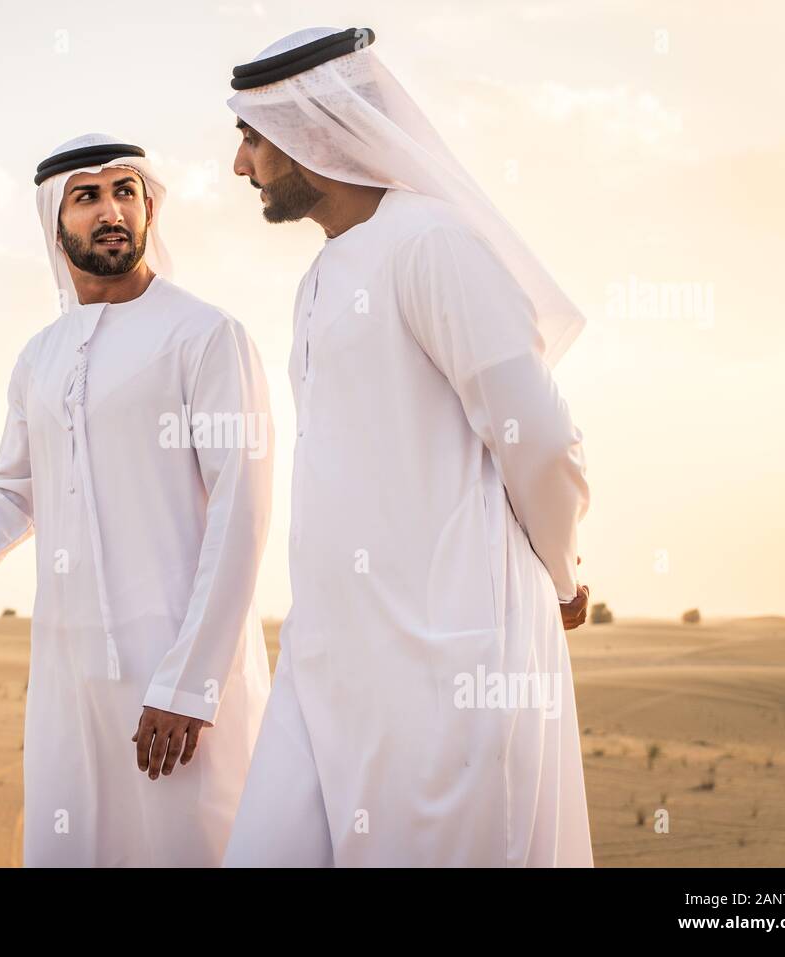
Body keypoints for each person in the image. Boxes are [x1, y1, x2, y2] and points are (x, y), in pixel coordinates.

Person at [222, 27, 594, 866]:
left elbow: (535, 433)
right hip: (325, 659)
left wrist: (561, 570)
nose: (240, 166)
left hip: (447, 663)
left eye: (252, 137)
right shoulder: (319, 278)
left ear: (312, 126)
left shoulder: (433, 243)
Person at [0, 133, 274, 866]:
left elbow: (244, 505)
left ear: (149, 208)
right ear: (56, 222)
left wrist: (191, 678)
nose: (110, 211)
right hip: (67, 672)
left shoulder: (205, 336)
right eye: (87, 197)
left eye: (125, 192)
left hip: (175, 673)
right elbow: (16, 491)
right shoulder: (39, 357)